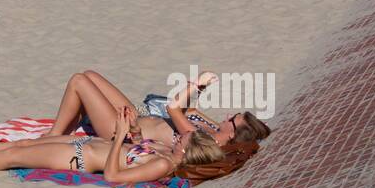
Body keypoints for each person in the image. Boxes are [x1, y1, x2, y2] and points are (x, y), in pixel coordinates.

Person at [0, 105, 225, 185]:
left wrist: (120, 135)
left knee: (14, 154)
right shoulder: (164, 154)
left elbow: (113, 176)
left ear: (188, 149)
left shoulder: (163, 164)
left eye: (185, 137)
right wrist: (131, 128)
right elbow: (132, 150)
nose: (180, 135)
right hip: (86, 144)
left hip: (78, 156)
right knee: (27, 142)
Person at [44, 70, 271, 148]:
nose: (229, 116)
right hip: (139, 116)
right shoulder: (212, 129)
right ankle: (68, 127)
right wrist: (200, 90)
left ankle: (54, 136)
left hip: (121, 131)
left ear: (232, 134)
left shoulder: (204, 140)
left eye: (233, 120)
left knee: (79, 81)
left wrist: (195, 83)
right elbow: (187, 113)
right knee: (90, 75)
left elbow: (173, 109)